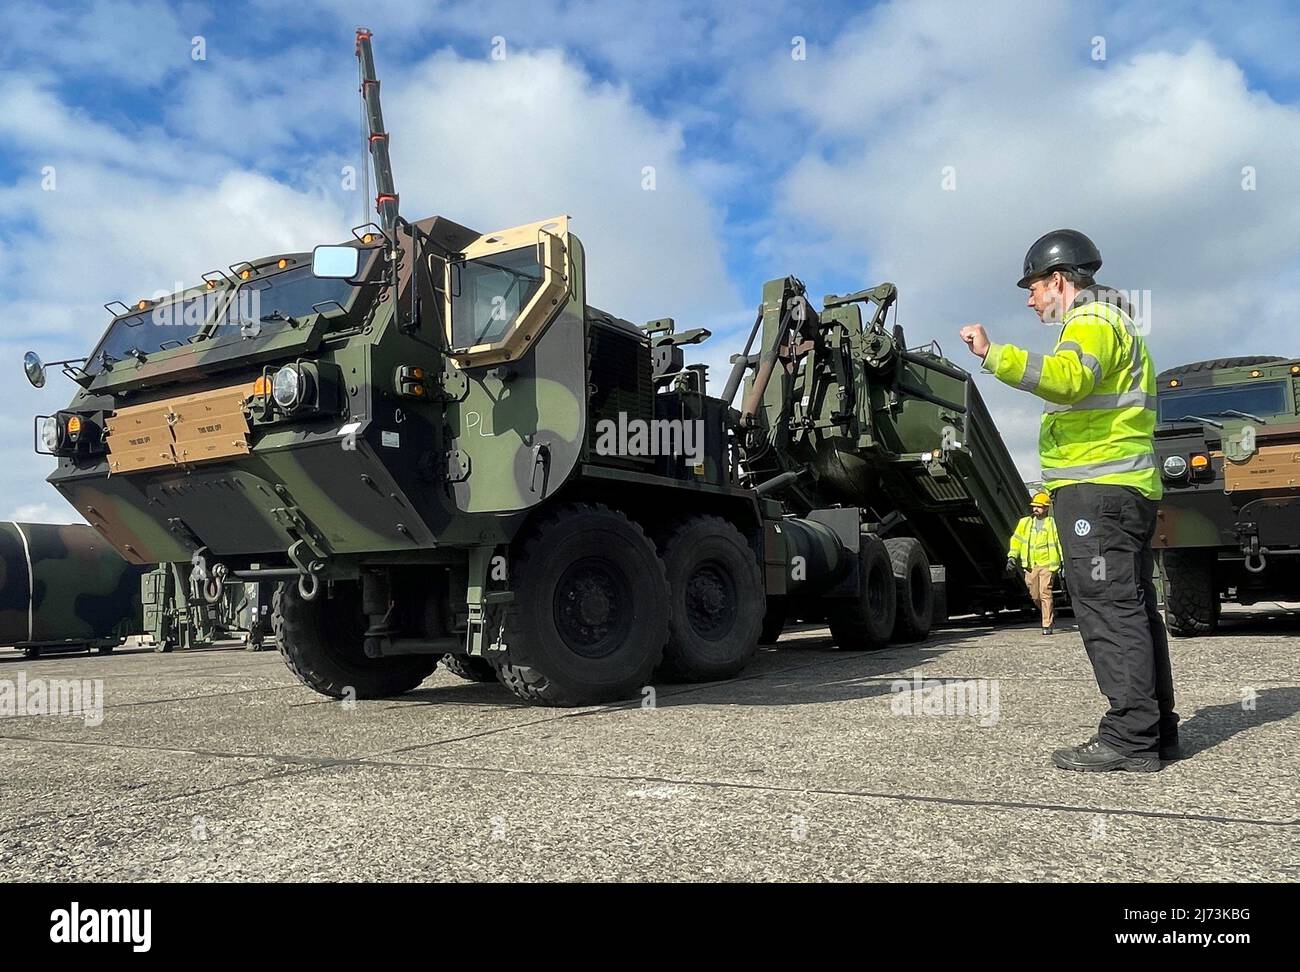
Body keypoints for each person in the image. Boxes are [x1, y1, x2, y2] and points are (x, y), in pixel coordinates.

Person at [959, 228, 1178, 773]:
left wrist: (994, 355)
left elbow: (1068, 379)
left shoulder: (1091, 321)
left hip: (1098, 492)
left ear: (1059, 280)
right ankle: (1155, 731)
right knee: (1131, 607)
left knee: (1107, 608)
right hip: (1123, 489)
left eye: (1033, 288)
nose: (1030, 300)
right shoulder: (1116, 322)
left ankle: (1130, 737)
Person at [1008, 492, 1061, 635]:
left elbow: (1058, 542)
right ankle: (1049, 611)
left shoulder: (1052, 524)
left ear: (1046, 508)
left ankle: (1047, 624)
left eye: (1039, 506)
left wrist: (1063, 562)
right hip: (1031, 565)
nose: (1035, 509)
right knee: (1035, 595)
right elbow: (1016, 540)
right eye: (1034, 506)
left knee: (1045, 593)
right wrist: (1012, 557)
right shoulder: (1025, 523)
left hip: (1048, 565)